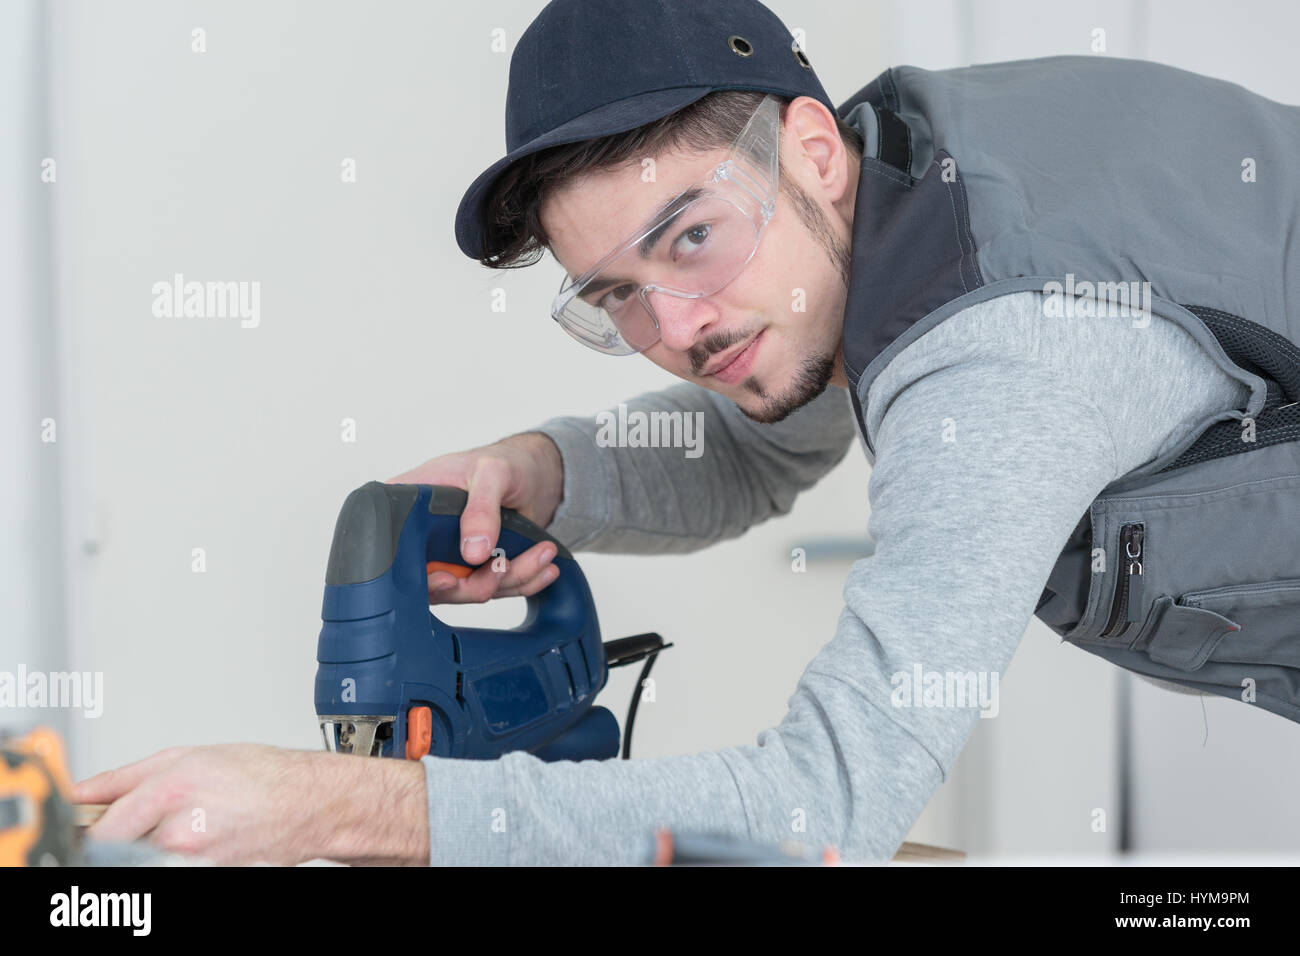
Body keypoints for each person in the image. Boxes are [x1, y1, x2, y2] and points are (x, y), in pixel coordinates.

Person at [75, 0, 1298, 865]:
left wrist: (343, 807)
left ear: (808, 151)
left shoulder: (1002, 354)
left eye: (689, 240)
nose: (676, 327)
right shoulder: (883, 183)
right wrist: (536, 471)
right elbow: (763, 438)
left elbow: (824, 810)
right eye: (613, 294)